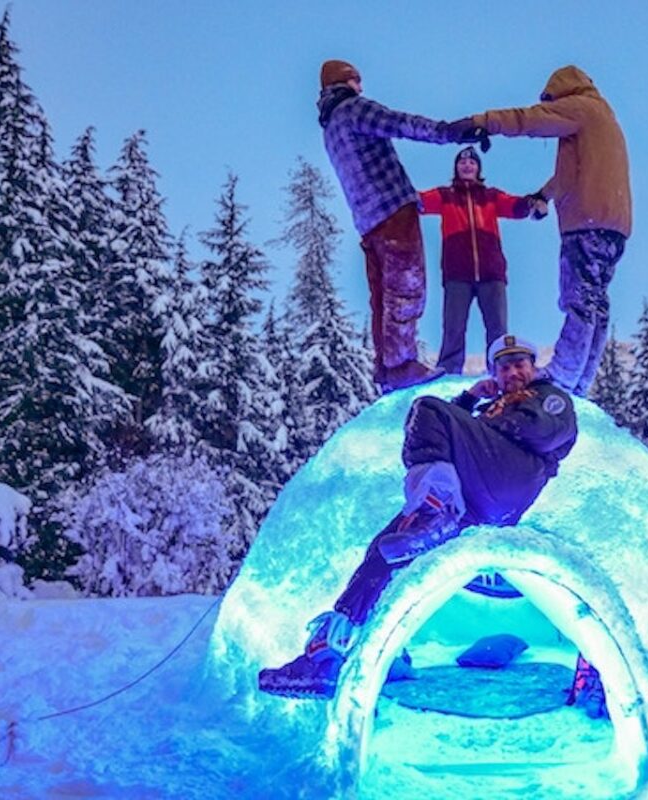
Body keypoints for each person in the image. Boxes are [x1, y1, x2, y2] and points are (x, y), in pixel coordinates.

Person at [259, 334, 578, 699]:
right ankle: (326, 656)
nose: (512, 372)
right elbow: (460, 429)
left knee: (428, 409)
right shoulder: (494, 407)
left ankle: (434, 508)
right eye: (504, 367)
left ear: (533, 366)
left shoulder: (550, 399)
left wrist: (472, 418)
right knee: (384, 550)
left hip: (509, 481)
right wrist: (472, 399)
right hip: (473, 500)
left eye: (520, 363)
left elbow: (538, 430)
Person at [316, 59, 487, 392]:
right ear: (344, 81)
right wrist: (449, 131)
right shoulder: (352, 110)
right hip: (392, 209)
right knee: (406, 287)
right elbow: (399, 123)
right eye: (356, 80)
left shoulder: (330, 127)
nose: (360, 87)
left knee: (382, 294)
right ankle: (402, 363)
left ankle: (386, 366)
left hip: (366, 221)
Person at [470, 65, 632, 397]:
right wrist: (543, 196)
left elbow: (530, 120)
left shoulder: (581, 107)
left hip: (586, 222)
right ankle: (580, 380)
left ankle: (561, 374)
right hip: (613, 225)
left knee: (578, 298)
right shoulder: (603, 120)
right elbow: (570, 175)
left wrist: (485, 121)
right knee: (595, 302)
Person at [417, 147, 541, 375]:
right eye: (462, 163)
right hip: (457, 273)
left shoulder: (490, 197)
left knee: (497, 328)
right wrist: (397, 196)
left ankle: (499, 370)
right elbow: (419, 202)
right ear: (456, 167)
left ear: (478, 169)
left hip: (491, 272)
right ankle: (448, 370)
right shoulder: (445, 196)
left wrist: (534, 202)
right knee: (454, 326)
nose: (467, 166)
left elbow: (515, 206)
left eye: (472, 163)